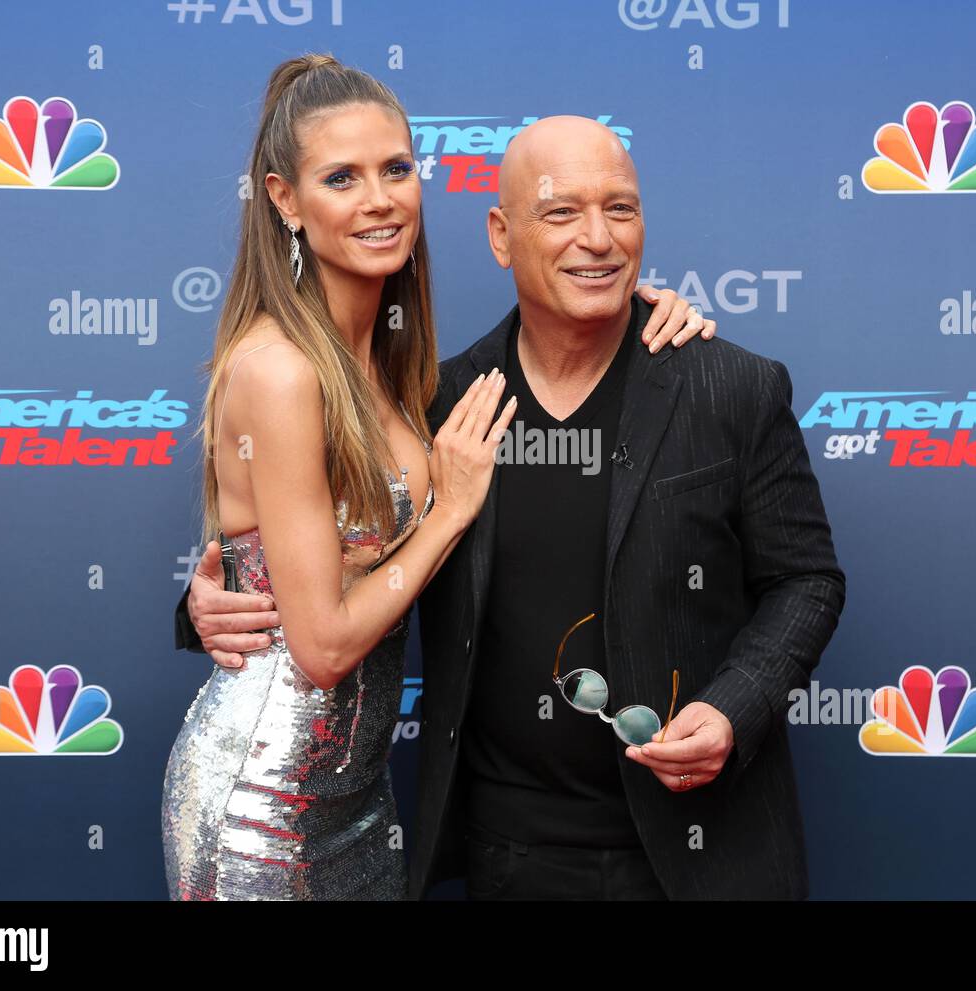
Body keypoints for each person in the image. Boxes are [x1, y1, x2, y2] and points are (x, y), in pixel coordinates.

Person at [184, 112, 845, 900]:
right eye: (562, 212)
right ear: (502, 236)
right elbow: (337, 551)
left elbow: (808, 580)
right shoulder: (438, 406)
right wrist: (205, 607)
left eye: (621, 209)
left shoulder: (728, 386)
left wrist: (734, 708)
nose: (597, 239)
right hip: (508, 859)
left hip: (701, 852)